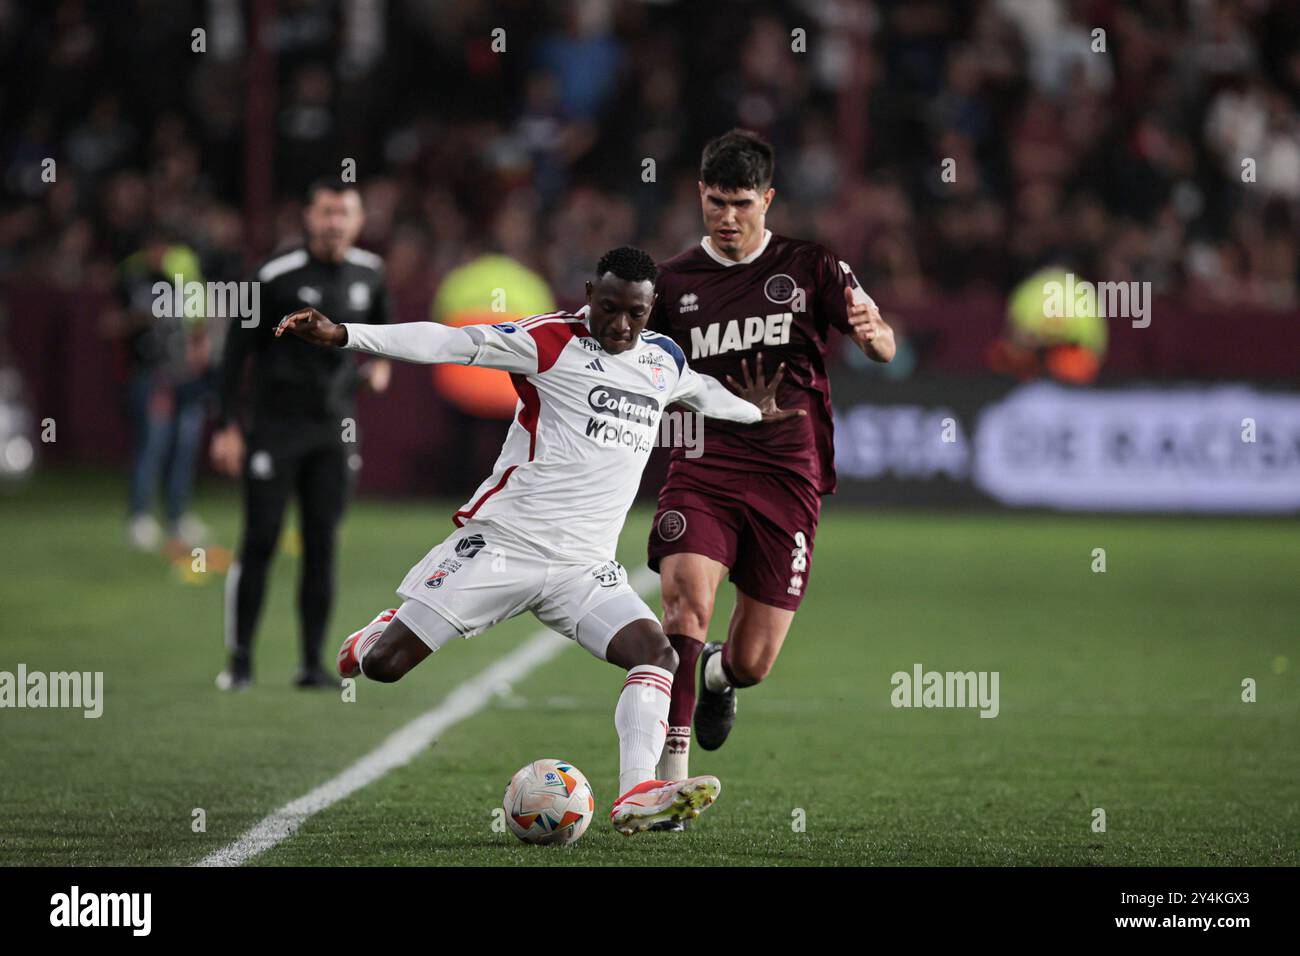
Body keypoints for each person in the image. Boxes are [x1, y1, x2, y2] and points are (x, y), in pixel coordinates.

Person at [276, 247, 802, 834]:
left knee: (657, 654)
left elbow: (704, 392)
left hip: (584, 568)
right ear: (587, 294)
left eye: (636, 313)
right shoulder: (548, 342)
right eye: (609, 309)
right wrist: (346, 334)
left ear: (652, 309)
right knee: (383, 666)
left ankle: (639, 791)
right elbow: (449, 342)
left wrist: (753, 414)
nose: (621, 326)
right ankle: (374, 635)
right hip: (505, 547)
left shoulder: (662, 360)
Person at [645, 129, 896, 807]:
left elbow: (883, 343)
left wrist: (876, 339)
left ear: (768, 199)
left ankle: (721, 685)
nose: (727, 217)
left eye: (741, 203)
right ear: (700, 195)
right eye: (716, 202)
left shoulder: (812, 266)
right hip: (701, 466)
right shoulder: (671, 283)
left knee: (752, 662)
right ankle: (667, 780)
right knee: (685, 604)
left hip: (788, 479)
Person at [211, 179, 392, 690]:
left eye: (345, 213)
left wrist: (380, 367)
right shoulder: (273, 274)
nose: (335, 222)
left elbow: (384, 332)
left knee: (322, 543)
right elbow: (234, 353)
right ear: (308, 217)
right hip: (274, 427)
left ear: (358, 221)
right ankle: (240, 662)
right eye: (327, 212)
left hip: (334, 429)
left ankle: (311, 664)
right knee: (261, 539)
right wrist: (226, 425)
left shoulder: (370, 272)